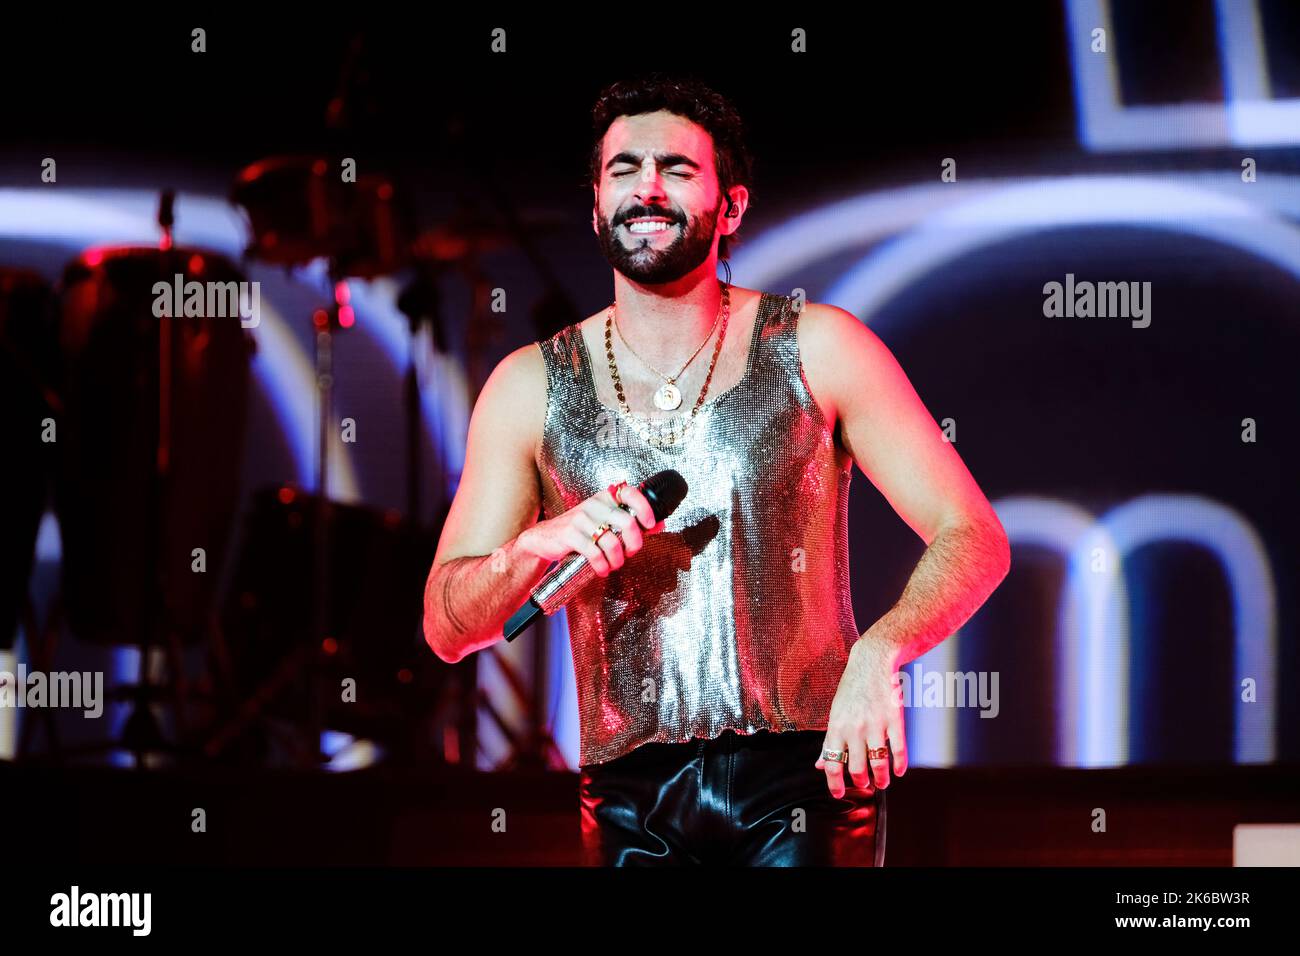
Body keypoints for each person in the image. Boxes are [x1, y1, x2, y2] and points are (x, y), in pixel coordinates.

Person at [423, 74, 1011, 865]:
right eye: (624, 169)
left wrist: (881, 651)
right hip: (626, 790)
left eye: (678, 169)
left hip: (806, 778)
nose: (648, 189)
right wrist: (534, 546)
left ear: (731, 206)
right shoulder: (528, 386)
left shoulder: (819, 345)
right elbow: (447, 628)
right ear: (596, 202)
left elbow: (973, 534)